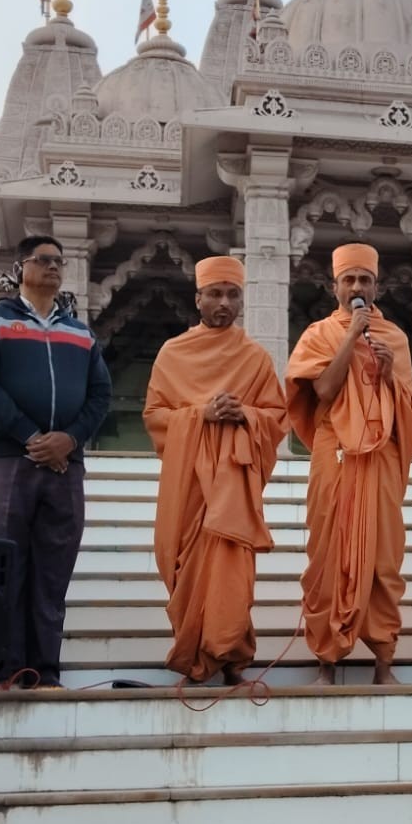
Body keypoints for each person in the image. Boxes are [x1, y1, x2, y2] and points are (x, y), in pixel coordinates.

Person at [0, 235, 111, 689]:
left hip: (65, 467)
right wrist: (31, 436)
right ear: (19, 267)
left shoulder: (80, 332)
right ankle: (2, 670)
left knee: (52, 573)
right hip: (9, 460)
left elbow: (100, 393)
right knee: (6, 566)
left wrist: (70, 439)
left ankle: (44, 672)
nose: (53, 268)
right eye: (43, 260)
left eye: (58, 262)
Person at [143, 256, 287, 685]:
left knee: (232, 574)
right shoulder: (174, 353)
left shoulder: (255, 357)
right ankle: (192, 658)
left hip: (232, 486)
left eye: (233, 294)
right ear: (198, 299)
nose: (224, 302)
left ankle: (232, 660)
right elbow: (154, 415)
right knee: (183, 565)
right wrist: (201, 414)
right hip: (188, 484)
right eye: (215, 294)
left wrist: (244, 414)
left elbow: (277, 418)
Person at [285, 243, 412, 685]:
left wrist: (385, 372)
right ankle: (327, 661)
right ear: (335, 286)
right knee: (328, 554)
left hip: (380, 458)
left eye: (365, 280)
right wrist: (349, 338)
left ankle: (384, 662)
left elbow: (409, 409)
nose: (357, 287)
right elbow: (321, 391)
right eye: (349, 280)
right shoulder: (319, 333)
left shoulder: (393, 337)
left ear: (377, 286)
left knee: (382, 558)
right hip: (335, 454)